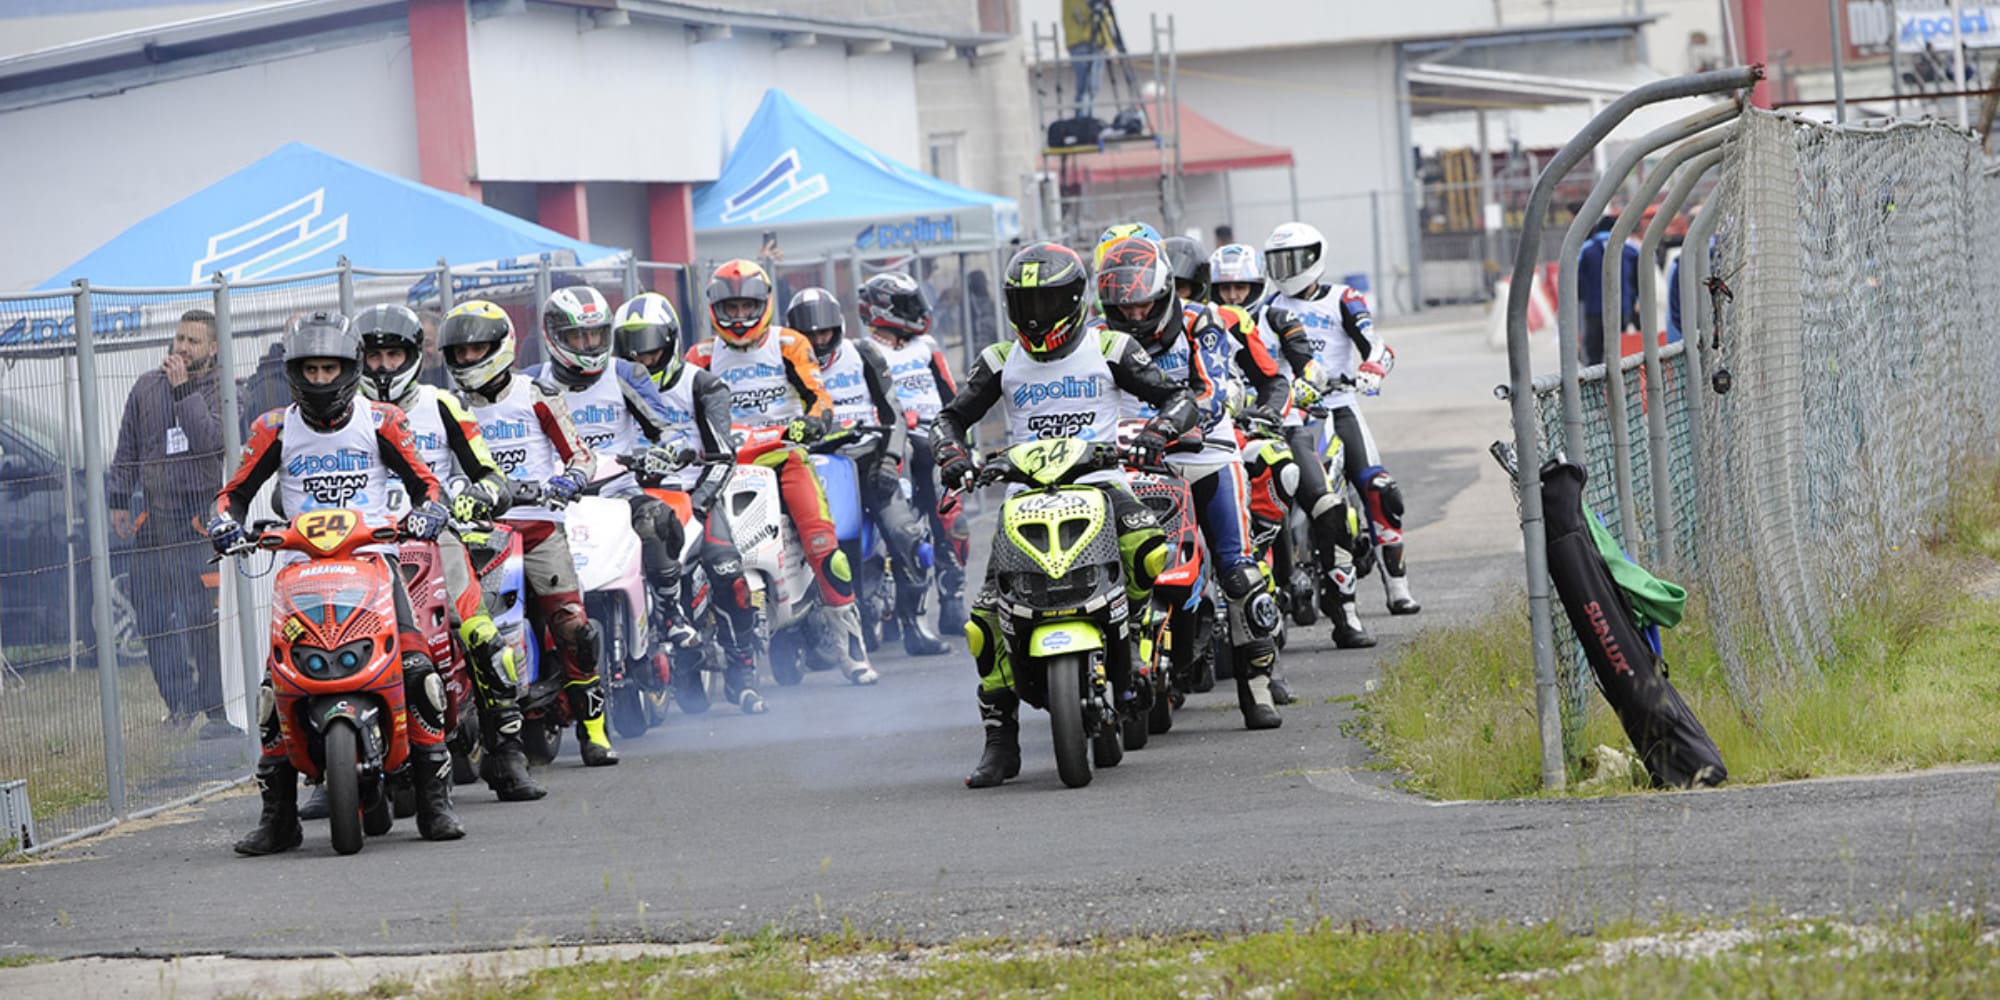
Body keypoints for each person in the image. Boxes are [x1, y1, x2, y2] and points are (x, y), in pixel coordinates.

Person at [931, 241, 1197, 788]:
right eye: (1025, 304)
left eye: (1048, 303)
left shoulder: (1112, 346)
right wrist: (952, 456)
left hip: (1102, 485)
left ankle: (1140, 641)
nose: (1036, 316)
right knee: (983, 624)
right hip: (1023, 499)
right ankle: (1000, 743)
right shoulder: (999, 360)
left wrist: (1156, 434)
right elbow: (949, 419)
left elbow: (1178, 398)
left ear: (1075, 300)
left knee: (1149, 551)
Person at [209, 311, 463, 854]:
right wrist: (224, 523)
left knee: (417, 669)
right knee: (274, 686)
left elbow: (428, 485)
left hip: (375, 563)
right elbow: (233, 492)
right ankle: (278, 819)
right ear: (295, 373)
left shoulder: (382, 420)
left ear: (350, 369)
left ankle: (434, 803)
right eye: (311, 369)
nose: (321, 380)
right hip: (300, 570)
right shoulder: (273, 427)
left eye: (331, 368)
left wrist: (429, 514)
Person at [353, 303, 545, 803]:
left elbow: (489, 473)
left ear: (414, 355)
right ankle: (329, 772)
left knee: (479, 630)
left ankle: (507, 753)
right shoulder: (341, 413)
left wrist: (478, 495)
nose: (382, 368)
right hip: (363, 546)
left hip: (437, 538)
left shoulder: (443, 406)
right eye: (372, 358)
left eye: (393, 355)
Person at [1107, 236, 1288, 729]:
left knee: (1237, 568)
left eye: (1143, 299)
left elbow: (1208, 391)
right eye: (1123, 304)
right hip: (1130, 459)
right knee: (1117, 564)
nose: (1135, 312)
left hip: (1202, 451)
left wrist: (1165, 427)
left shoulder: (1199, 321)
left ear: (1165, 290)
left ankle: (1256, 685)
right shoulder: (1098, 335)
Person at [436, 300, 620, 767]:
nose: (468, 359)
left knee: (574, 628)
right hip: (475, 534)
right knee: (457, 625)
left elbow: (580, 454)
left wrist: (570, 480)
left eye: (477, 348)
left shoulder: (537, 393)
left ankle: (594, 730)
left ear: (501, 347)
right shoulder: (448, 406)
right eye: (459, 352)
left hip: (538, 528)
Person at [687, 259, 878, 686]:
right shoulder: (700, 355)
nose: (739, 317)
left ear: (765, 304)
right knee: (702, 549)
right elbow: (683, 413)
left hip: (784, 452)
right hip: (727, 463)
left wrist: (814, 422)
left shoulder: (789, 342)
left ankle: (853, 652)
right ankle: (704, 653)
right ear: (715, 308)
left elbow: (820, 397)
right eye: (730, 308)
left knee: (824, 543)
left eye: (746, 307)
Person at [1207, 242, 1374, 653]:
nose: (1233, 297)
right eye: (1225, 289)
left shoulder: (1278, 318)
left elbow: (1307, 364)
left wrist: (1308, 382)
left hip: (1284, 427)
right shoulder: (1203, 325)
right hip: (1222, 435)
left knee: (1326, 504)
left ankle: (1344, 611)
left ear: (1258, 285)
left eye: (1241, 288)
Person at [612, 293, 767, 714]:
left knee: (726, 568)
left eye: (650, 349)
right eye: (631, 350)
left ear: (671, 343)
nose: (640, 359)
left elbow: (723, 457)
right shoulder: (611, 386)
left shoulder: (703, 385)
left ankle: (742, 671)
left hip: (696, 492)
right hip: (631, 498)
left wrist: (697, 505)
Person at [1263, 222, 1420, 631]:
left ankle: (1398, 584)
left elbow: (1376, 344)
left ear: (1316, 257)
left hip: (1340, 405)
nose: (1286, 269)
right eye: (1278, 260)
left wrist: (1371, 368)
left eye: (1294, 260)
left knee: (1379, 488)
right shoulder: (1267, 308)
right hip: (1293, 411)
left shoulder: (1343, 299)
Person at [528, 286, 702, 653]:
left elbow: (664, 425)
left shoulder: (626, 372)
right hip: (555, 499)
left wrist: (668, 449)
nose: (589, 344)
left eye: (596, 334)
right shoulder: (531, 383)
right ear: (553, 337)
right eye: (578, 335)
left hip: (618, 492)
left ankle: (670, 612)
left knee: (658, 519)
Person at [787, 286, 950, 657]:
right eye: (809, 334)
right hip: (815, 466)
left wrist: (891, 460)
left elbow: (893, 413)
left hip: (869, 460)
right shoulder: (787, 363)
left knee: (905, 533)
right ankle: (810, 636)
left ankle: (915, 626)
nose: (818, 340)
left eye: (824, 332)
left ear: (838, 328)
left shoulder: (863, 353)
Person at [108, 308, 236, 739]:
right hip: (154, 517)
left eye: (193, 341)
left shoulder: (223, 388)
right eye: (179, 338)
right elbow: (127, 444)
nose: (181, 348)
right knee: (152, 616)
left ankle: (216, 709)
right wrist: (119, 497)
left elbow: (211, 442)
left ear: (213, 349)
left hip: (199, 518)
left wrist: (184, 391)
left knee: (202, 619)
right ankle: (180, 702)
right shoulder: (147, 386)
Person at [856, 271, 967, 636]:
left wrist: (963, 441)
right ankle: (891, 606)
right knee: (898, 522)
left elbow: (951, 394)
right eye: (908, 306)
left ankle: (952, 600)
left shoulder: (928, 346)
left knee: (950, 517)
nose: (917, 312)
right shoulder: (863, 350)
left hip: (933, 440)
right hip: (893, 443)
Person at [1578, 213, 1641, 368]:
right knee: (1617, 350)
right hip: (1621, 307)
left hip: (1593, 309)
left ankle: (1595, 387)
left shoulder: (1586, 249)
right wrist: (1637, 300)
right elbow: (1640, 278)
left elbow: (1577, 279)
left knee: (1594, 353)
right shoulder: (1630, 249)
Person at [1061, 0, 1112, 118]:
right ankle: (1083, 122)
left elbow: (1104, 17)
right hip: (1081, 43)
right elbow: (1085, 11)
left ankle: (1089, 120)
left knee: (1094, 87)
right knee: (1086, 87)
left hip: (1099, 44)